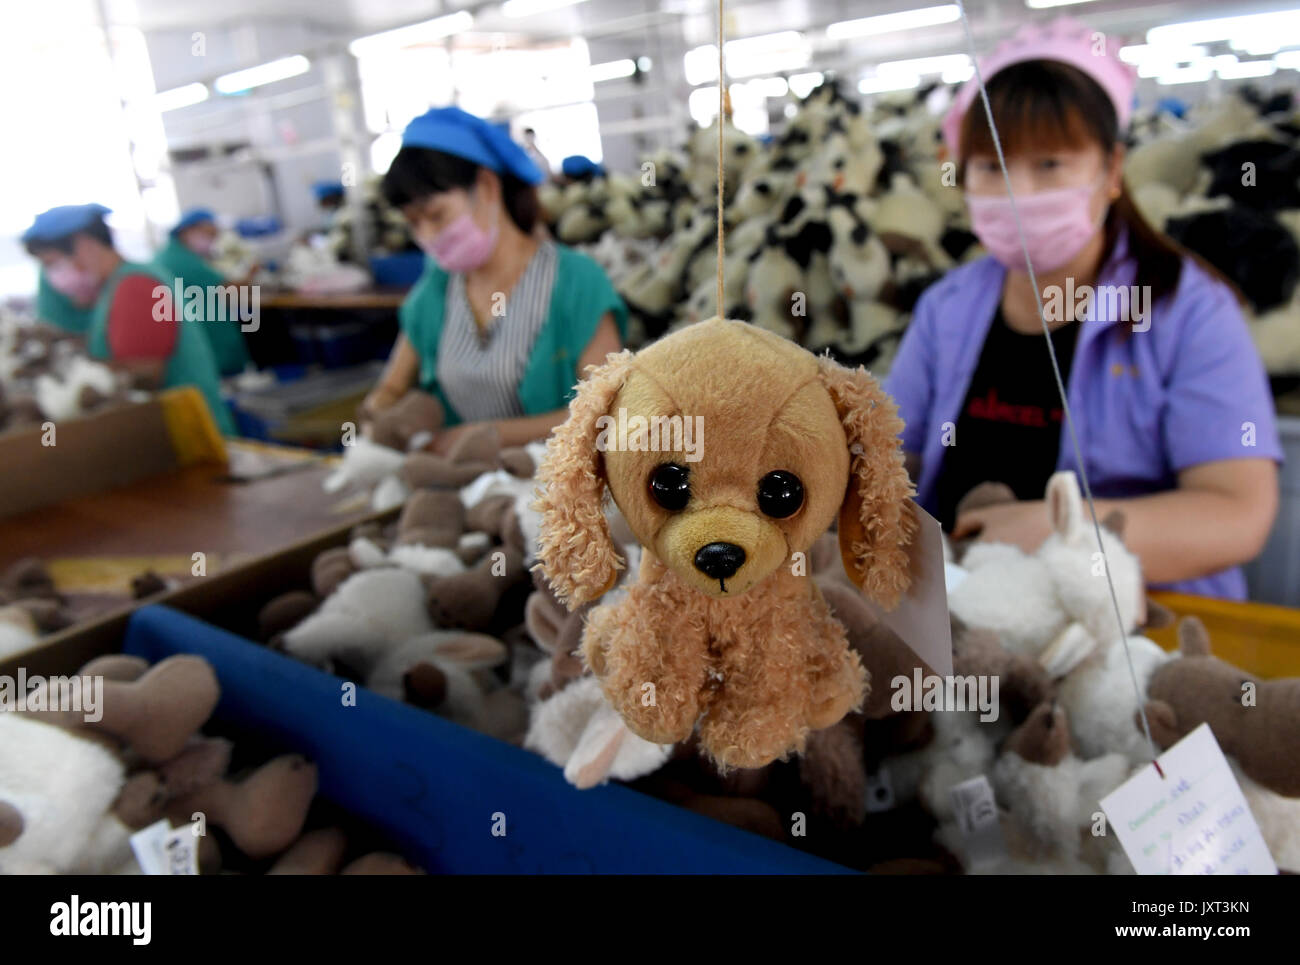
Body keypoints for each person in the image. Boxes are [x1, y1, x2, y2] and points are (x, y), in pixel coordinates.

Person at [885, 17, 1281, 600]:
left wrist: (1067, 531)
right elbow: (894, 458)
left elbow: (1237, 512)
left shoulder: (1187, 311)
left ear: (1112, 170)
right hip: (966, 616)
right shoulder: (948, 307)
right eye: (992, 167)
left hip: (1137, 634)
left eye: (1048, 165)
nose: (1016, 194)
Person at [361, 106, 626, 453]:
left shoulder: (576, 282)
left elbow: (604, 414)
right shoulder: (437, 291)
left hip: (558, 489)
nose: (426, 235)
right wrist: (378, 413)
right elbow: (392, 388)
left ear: (486, 186)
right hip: (461, 481)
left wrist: (490, 436)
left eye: (436, 215)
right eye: (413, 223)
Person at [22, 204, 236, 434]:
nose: (53, 277)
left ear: (84, 245)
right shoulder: (117, 286)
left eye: (52, 263)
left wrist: (67, 378)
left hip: (190, 439)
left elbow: (144, 374)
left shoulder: (135, 288)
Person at [152, 208, 252, 376]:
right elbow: (228, 288)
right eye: (209, 235)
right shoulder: (182, 260)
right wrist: (251, 273)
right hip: (208, 335)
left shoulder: (166, 255)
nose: (211, 241)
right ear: (188, 231)